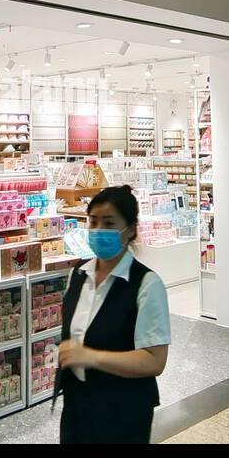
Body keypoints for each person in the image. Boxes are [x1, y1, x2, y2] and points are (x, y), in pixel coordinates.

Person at [53, 186, 171, 443]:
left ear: (129, 229)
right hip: (77, 407)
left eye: (108, 223)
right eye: (92, 221)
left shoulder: (147, 285)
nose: (97, 230)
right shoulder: (78, 275)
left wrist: (92, 357)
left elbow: (154, 361)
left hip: (123, 411)